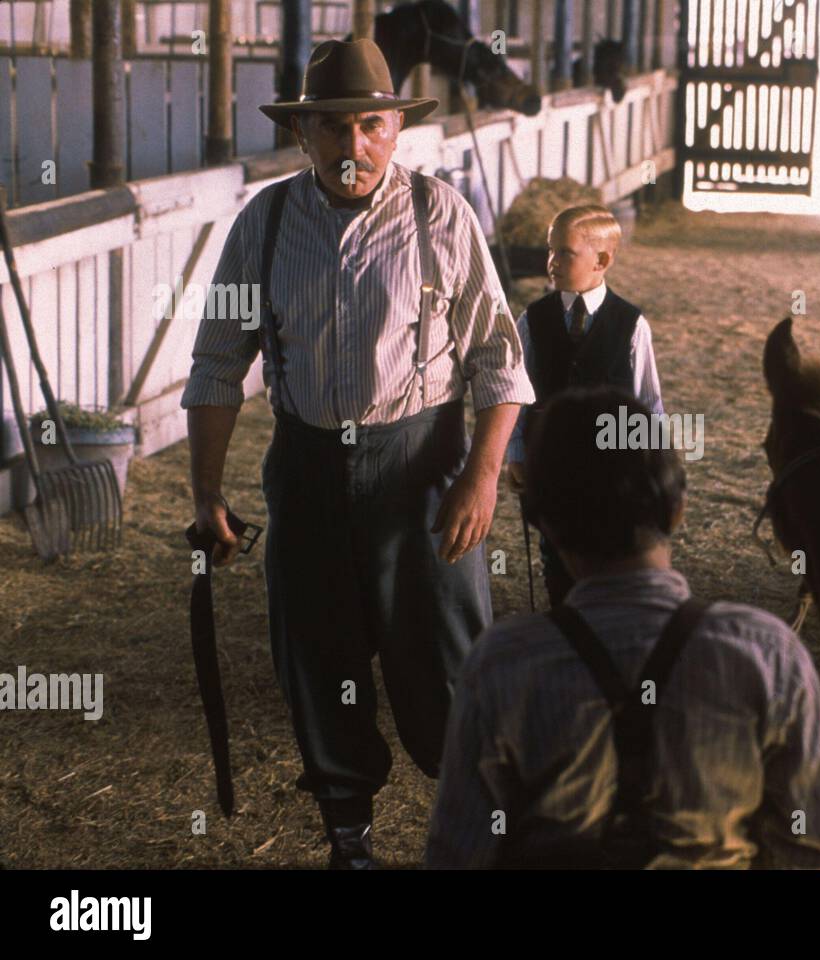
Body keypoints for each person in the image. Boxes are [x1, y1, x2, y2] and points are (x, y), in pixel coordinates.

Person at [180, 39, 534, 868]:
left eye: (370, 126)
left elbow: (498, 359)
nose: (353, 147)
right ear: (304, 136)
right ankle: (350, 841)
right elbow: (216, 363)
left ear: (395, 131)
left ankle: (475, 836)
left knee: (444, 659)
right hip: (306, 469)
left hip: (423, 468)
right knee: (315, 654)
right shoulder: (263, 224)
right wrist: (205, 493)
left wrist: (482, 475)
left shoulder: (441, 216)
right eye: (334, 130)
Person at [426, 388, 820, 868]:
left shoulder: (502, 665)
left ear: (542, 523)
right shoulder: (766, 655)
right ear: (678, 509)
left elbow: (459, 855)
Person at [504, 204, 664, 607]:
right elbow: (518, 393)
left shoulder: (630, 324)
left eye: (565, 253)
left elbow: (649, 402)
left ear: (602, 260)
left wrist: (648, 467)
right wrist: (517, 453)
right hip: (552, 468)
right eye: (550, 250)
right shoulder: (534, 319)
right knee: (557, 564)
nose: (551, 262)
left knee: (611, 561)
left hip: (613, 472)